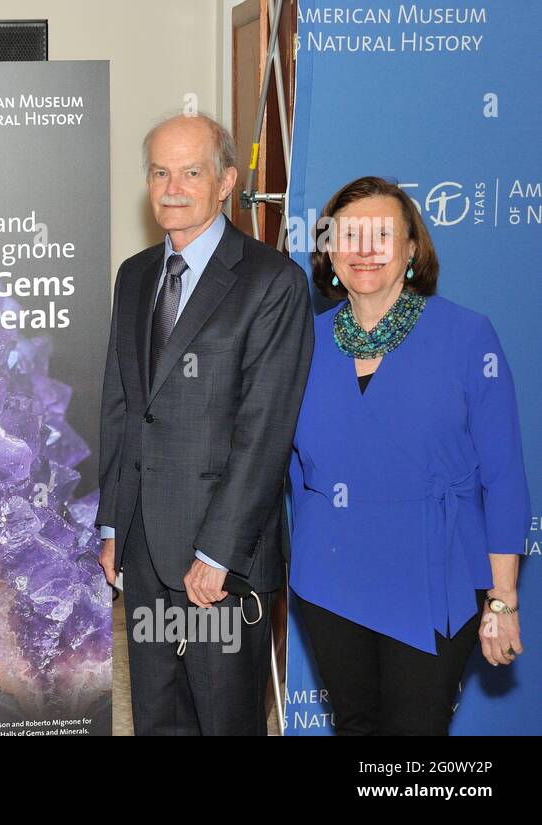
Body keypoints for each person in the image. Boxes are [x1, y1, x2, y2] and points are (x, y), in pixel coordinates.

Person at [95, 112, 313, 735]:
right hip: (141, 548)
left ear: (224, 182)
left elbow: (265, 432)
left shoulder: (273, 283)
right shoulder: (135, 275)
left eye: (191, 172)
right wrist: (114, 523)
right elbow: (122, 406)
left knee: (225, 720)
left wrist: (218, 551)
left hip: (222, 560)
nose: (172, 187)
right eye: (161, 172)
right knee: (157, 717)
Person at [289, 175, 529, 735]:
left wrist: (502, 601)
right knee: (354, 726)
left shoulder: (467, 336)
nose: (364, 250)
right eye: (348, 235)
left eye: (381, 234)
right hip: (330, 571)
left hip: (435, 568)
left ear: (412, 248)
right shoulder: (303, 342)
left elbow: (504, 476)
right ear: (328, 250)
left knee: (415, 735)